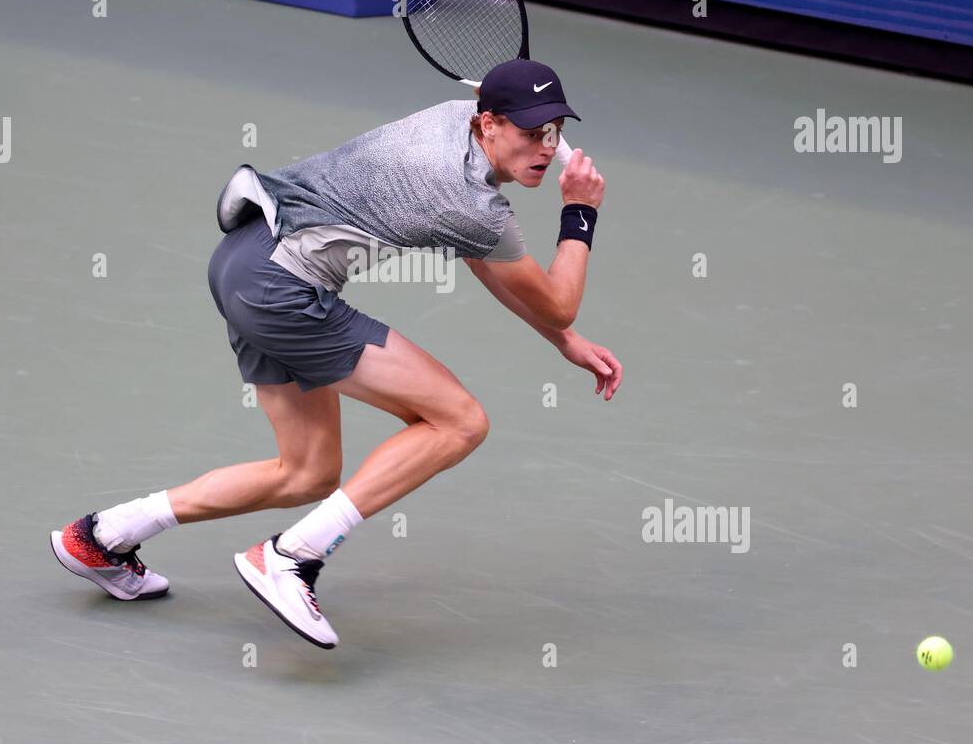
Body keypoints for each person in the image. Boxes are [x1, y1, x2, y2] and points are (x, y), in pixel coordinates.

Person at [51, 59, 621, 648]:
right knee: (459, 420)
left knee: (306, 474)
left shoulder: (455, 125)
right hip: (283, 289)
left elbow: (484, 257)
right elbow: (557, 300)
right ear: (488, 124)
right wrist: (580, 212)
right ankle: (293, 557)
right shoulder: (473, 205)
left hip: (241, 262)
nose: (544, 149)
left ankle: (100, 536)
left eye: (552, 132)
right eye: (529, 134)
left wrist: (564, 343)